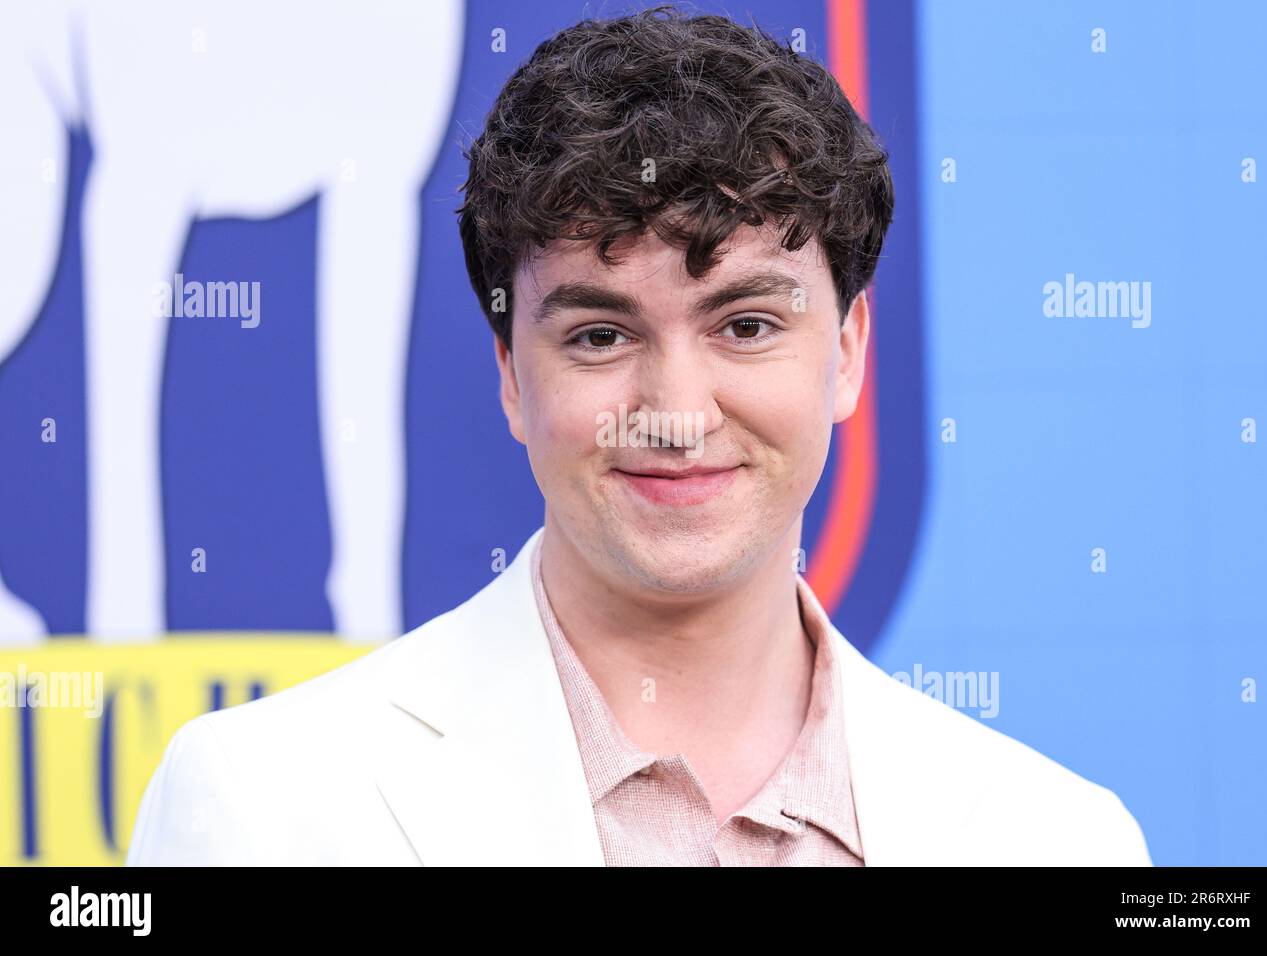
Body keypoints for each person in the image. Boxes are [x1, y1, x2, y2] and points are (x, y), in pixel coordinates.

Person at [126, 6, 1152, 866]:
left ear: (846, 353)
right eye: (601, 333)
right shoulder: (259, 809)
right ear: (510, 377)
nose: (675, 408)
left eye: (745, 325)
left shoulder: (1056, 837)